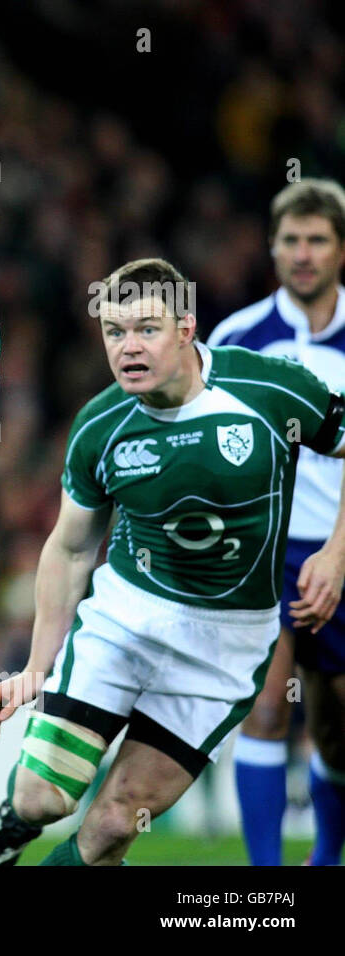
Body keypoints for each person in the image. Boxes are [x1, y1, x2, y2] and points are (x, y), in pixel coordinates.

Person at [0, 257, 345, 866]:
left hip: (225, 647)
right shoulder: (101, 426)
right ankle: (8, 827)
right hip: (126, 618)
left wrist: (336, 552)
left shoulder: (271, 389)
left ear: (186, 327)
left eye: (146, 328)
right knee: (41, 799)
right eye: (114, 332)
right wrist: (38, 665)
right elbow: (68, 547)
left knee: (115, 825)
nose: (128, 348)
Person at [209, 178, 345, 866]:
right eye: (290, 239)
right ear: (272, 248)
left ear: (341, 249)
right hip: (263, 554)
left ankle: (325, 859)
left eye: (317, 239)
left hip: (342, 550)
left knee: (336, 723)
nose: (303, 253)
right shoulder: (238, 338)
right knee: (265, 708)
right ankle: (268, 878)